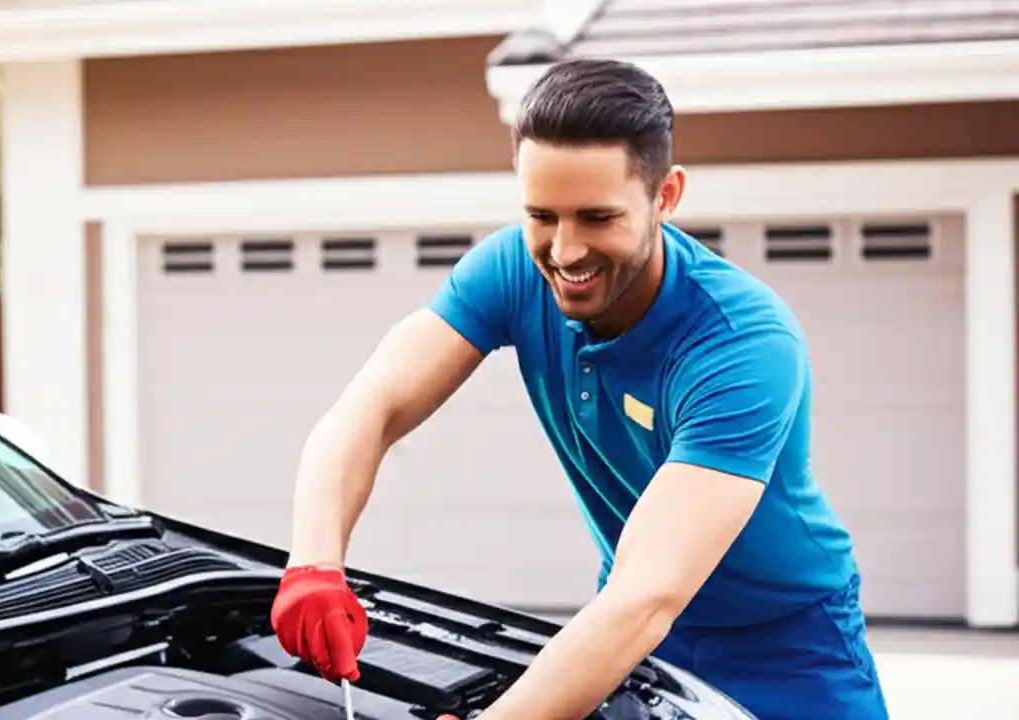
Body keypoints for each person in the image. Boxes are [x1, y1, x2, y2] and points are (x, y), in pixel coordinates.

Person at [268, 57, 889, 720]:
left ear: (666, 196)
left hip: (786, 653)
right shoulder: (511, 270)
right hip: (629, 637)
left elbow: (649, 594)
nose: (564, 253)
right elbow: (370, 410)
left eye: (597, 217)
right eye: (542, 215)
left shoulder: (741, 344)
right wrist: (312, 564)